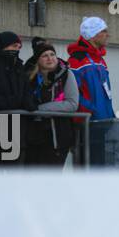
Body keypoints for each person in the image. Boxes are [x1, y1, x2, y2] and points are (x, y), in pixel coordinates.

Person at [21, 37, 78, 165]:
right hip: (33, 136)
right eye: (45, 55)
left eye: (52, 54)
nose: (50, 58)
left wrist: (40, 109)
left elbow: (72, 104)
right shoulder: (28, 77)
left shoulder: (66, 74)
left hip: (58, 136)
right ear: (37, 60)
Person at [68, 16, 115, 120]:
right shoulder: (76, 60)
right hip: (88, 122)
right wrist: (91, 111)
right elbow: (73, 95)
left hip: (104, 119)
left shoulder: (100, 60)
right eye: (103, 31)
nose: (108, 35)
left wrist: (111, 114)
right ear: (92, 35)